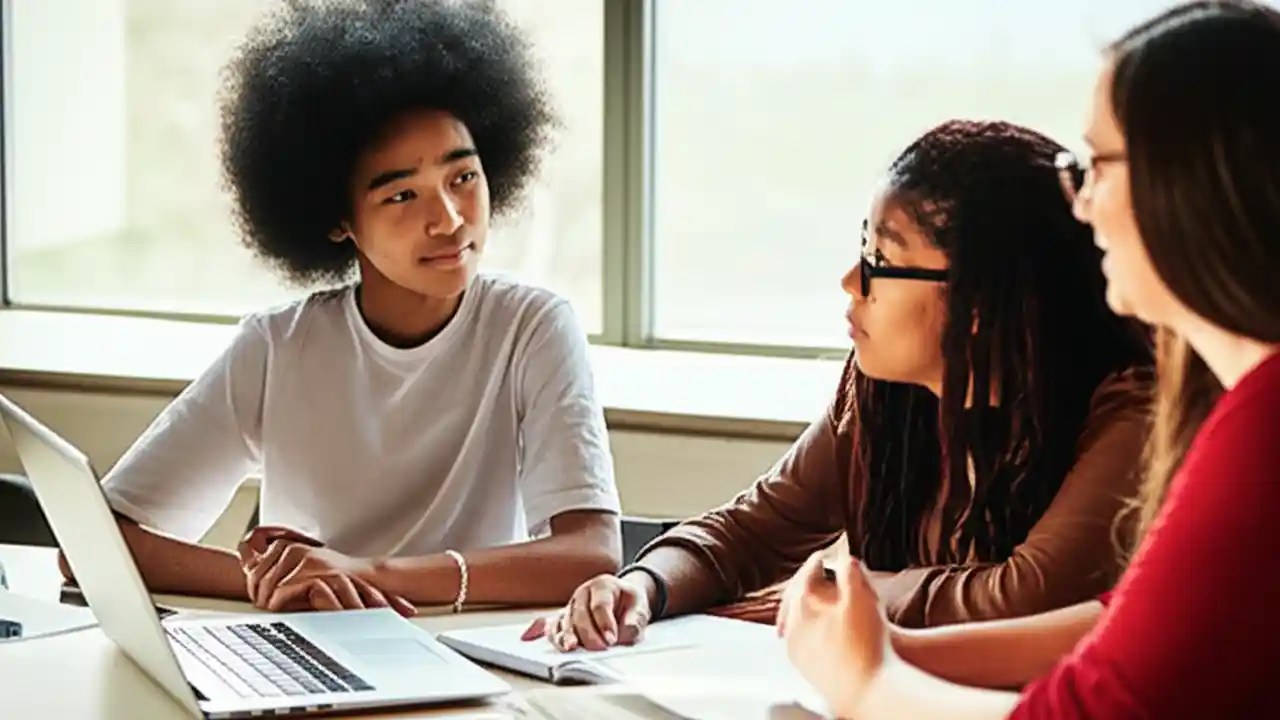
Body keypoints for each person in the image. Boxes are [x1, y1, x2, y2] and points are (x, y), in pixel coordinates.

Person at [777, 2, 1280, 717]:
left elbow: (1088, 707)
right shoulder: (1243, 408)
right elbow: (1123, 627)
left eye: (1096, 166)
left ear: (1193, 181)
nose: (1082, 206)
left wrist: (866, 682)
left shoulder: (1264, 429)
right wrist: (894, 650)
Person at [57, 0, 623, 615]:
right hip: (308, 659)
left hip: (469, 662)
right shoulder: (278, 347)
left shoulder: (531, 328)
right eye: (403, 194)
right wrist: (282, 586)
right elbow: (89, 546)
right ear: (337, 219)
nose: (450, 219)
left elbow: (589, 553)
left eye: (463, 178)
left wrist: (369, 574)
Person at [528, 118, 1155, 652]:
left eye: (882, 259)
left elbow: (1028, 598)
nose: (852, 279)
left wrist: (838, 590)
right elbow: (752, 530)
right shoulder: (883, 390)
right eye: (863, 248)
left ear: (979, 300)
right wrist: (642, 587)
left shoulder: (1125, 409)